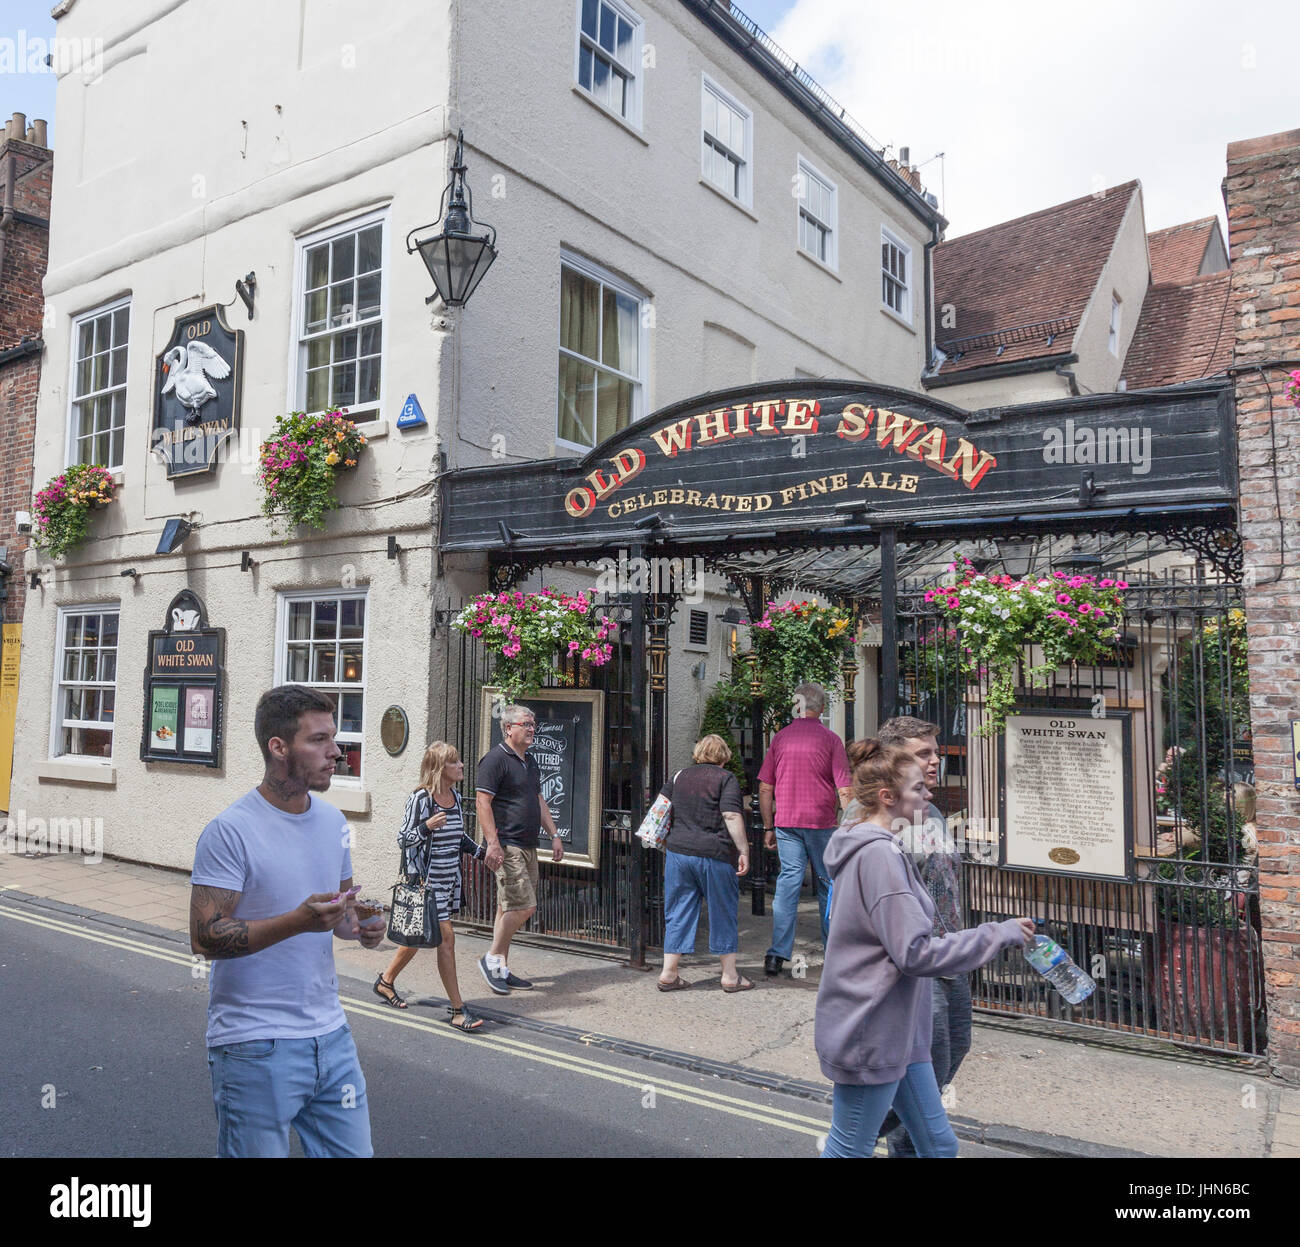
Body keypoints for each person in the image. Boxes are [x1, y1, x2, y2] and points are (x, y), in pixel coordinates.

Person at [190, 685, 385, 1158]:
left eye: (333, 738)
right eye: (318, 740)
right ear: (278, 748)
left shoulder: (333, 822)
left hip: (331, 1037)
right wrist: (298, 921)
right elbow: (205, 937)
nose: (336, 751)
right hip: (254, 1044)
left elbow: (336, 917)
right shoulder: (230, 831)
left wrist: (361, 924)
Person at [815, 739, 1034, 1158]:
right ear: (887, 797)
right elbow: (915, 953)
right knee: (849, 1149)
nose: (929, 794)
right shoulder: (878, 857)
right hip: (873, 1030)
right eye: (919, 789)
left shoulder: (883, 848)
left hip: (902, 1031)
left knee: (938, 1145)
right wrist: (997, 933)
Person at [868, 717, 967, 1158]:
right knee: (931, 1065)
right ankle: (862, 1129)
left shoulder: (931, 809)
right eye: (922, 752)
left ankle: (867, 1129)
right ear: (894, 758)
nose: (935, 759)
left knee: (954, 1051)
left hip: (951, 958)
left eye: (935, 750)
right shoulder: (880, 818)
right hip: (917, 964)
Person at [373, 742, 487, 1030]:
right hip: (426, 884)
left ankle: (385, 982)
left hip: (448, 882)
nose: (461, 765)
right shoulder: (421, 799)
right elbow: (403, 839)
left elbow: (459, 838)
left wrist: (484, 854)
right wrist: (426, 827)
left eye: (459, 761)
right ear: (440, 768)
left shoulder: (457, 798)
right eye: (454, 762)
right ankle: (458, 1011)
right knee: (446, 939)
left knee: (419, 937)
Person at [758, 682, 853, 976]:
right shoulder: (831, 740)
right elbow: (845, 790)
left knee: (788, 884)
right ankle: (833, 954)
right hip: (822, 822)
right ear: (822, 708)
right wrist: (851, 826)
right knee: (828, 884)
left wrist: (768, 825)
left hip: (787, 822)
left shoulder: (781, 738)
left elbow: (765, 787)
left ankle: (777, 954)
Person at [475, 704, 563, 995]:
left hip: (529, 844)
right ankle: (491, 959)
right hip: (508, 845)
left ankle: (500, 966)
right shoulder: (495, 760)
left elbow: (538, 800)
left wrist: (554, 835)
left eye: (533, 724)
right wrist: (493, 843)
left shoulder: (530, 761)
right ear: (509, 727)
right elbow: (483, 803)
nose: (531, 729)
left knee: (507, 907)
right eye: (526, 724)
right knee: (525, 906)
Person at [656, 734, 753, 993]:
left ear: (698, 753)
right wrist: (743, 849)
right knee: (723, 911)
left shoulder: (679, 776)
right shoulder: (726, 779)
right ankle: (730, 976)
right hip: (715, 854)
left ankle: (668, 972)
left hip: (679, 853)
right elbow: (731, 815)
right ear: (724, 756)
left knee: (678, 910)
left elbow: (660, 810)